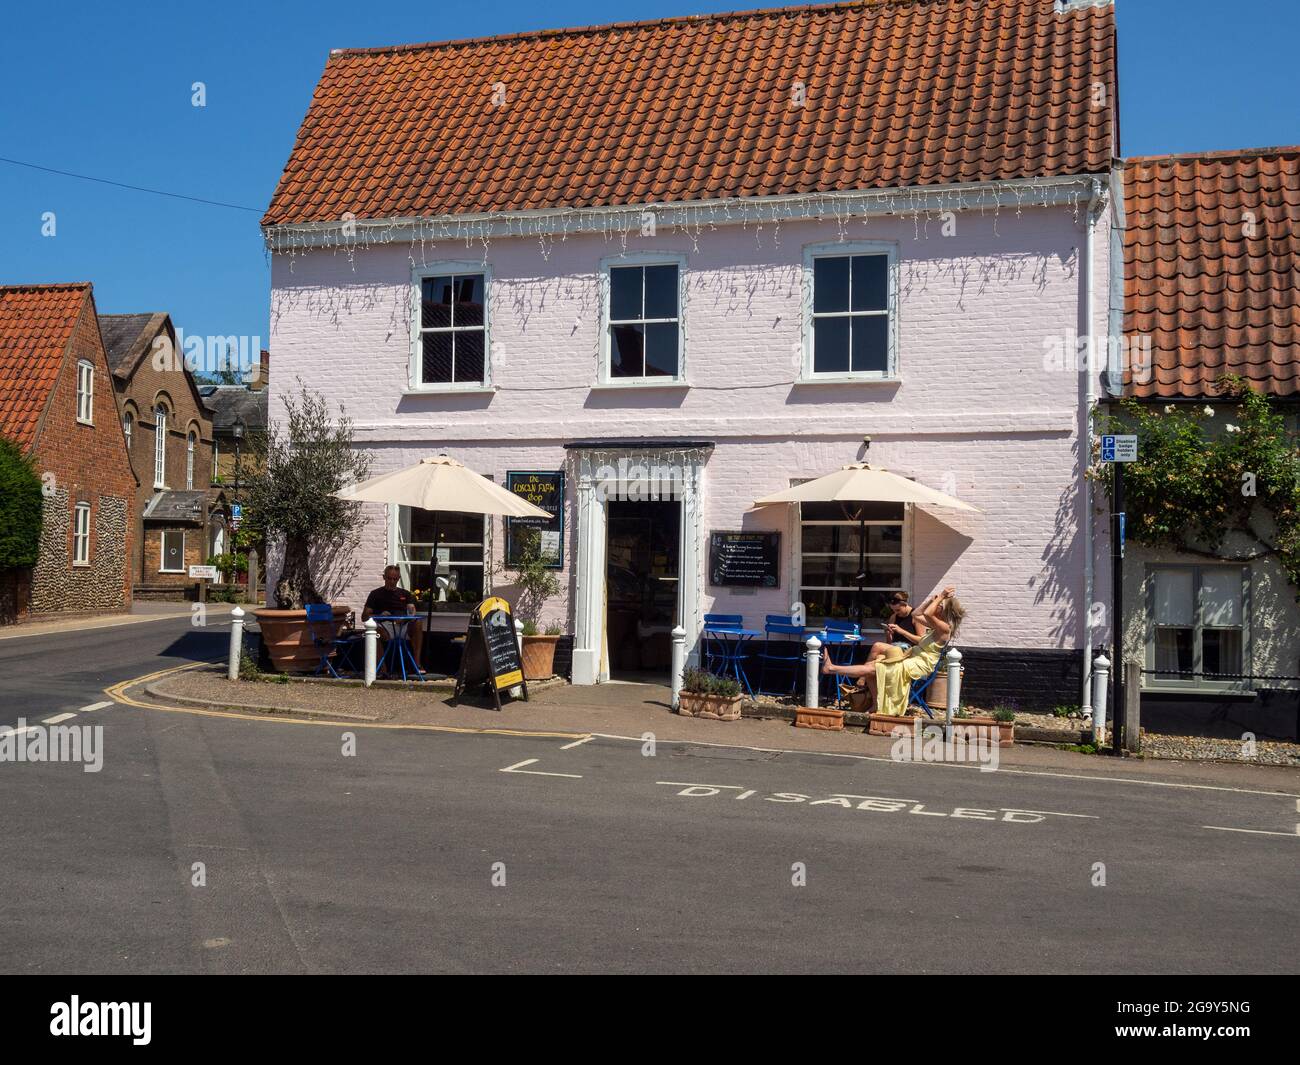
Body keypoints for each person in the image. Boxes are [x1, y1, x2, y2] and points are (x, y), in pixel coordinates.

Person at [826, 586, 965, 716]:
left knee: (876, 668)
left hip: (921, 664)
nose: (935, 607)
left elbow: (927, 613)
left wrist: (941, 596)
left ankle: (832, 668)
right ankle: (876, 704)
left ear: (943, 610)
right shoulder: (936, 626)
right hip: (912, 657)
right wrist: (931, 600)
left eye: (938, 606)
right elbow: (916, 614)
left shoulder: (945, 628)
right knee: (873, 665)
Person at [362, 565, 423, 667]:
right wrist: (379, 615)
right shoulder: (375, 594)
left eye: (394, 579)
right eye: (389, 578)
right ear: (384, 577)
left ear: (398, 579)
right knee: (373, 631)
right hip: (385, 626)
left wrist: (406, 615)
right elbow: (364, 617)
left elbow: (412, 612)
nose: (392, 582)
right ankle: (382, 670)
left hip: (402, 626)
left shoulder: (406, 594)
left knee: (418, 623)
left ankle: (417, 664)